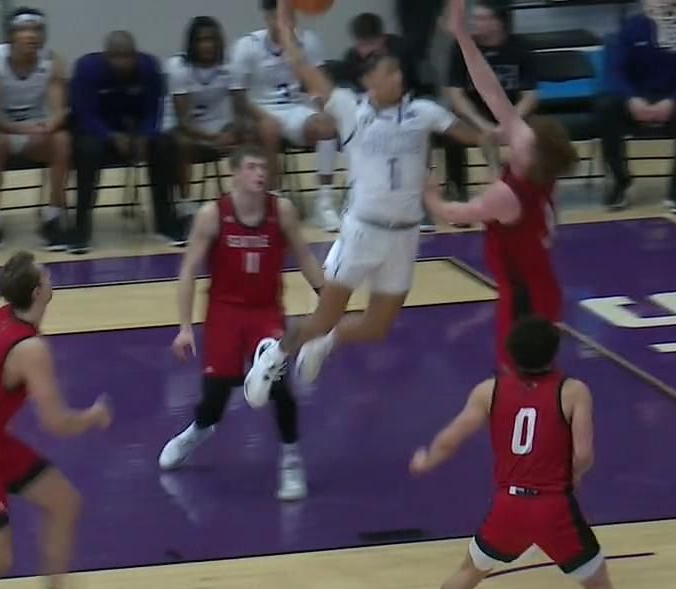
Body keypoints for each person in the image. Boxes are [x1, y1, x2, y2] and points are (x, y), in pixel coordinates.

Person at [244, 0, 485, 405]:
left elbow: (471, 135)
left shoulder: (424, 112)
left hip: (405, 235)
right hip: (362, 230)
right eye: (379, 69)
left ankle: (326, 343)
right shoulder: (349, 109)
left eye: (390, 68)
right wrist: (287, 28)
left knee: (377, 327)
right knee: (322, 317)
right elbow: (304, 67)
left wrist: (501, 136)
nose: (385, 73)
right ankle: (275, 354)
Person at [159, 145, 324, 501]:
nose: (260, 174)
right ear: (235, 173)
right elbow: (187, 270)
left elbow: (305, 256)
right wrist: (185, 327)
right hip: (224, 313)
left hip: (266, 312)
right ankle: (197, 430)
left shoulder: (281, 211)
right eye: (251, 166)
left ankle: (291, 457)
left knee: (279, 386)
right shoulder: (213, 214)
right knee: (215, 397)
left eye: (263, 167)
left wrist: (327, 296)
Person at [0, 251, 112, 589]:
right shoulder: (31, 350)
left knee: (64, 503)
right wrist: (94, 416)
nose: (50, 277)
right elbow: (56, 423)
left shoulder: (0, 316)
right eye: (45, 274)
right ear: (36, 291)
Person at [425, 0, 576, 369]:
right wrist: (462, 36)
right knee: (541, 374)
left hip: (524, 297)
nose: (517, 134)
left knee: (518, 375)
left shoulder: (506, 196)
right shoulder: (540, 169)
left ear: (530, 161)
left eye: (524, 143)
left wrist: (426, 191)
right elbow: (492, 90)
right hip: (543, 288)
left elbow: (452, 213)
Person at [410, 317, 611, 589]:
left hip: (509, 505)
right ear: (555, 352)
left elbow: (450, 439)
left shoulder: (488, 390)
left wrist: (426, 462)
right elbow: (583, 455)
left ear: (511, 352)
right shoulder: (573, 391)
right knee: (599, 584)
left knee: (468, 573)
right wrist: (574, 476)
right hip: (554, 507)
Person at [229, 0, 342, 232]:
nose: (282, 21)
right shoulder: (247, 45)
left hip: (294, 106)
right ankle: (273, 201)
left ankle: (324, 204)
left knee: (327, 127)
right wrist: (261, 117)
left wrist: (323, 108)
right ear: (267, 17)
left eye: (288, 15)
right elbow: (238, 97)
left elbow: (319, 84)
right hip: (260, 107)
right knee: (269, 129)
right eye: (276, 16)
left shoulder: (307, 40)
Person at [69, 30, 181, 255]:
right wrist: (110, 136)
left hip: (134, 133)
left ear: (136, 55)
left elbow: (154, 111)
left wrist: (144, 136)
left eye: (128, 56)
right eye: (117, 57)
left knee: (164, 144)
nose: (123, 62)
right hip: (97, 133)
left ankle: (165, 222)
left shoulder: (148, 68)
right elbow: (84, 114)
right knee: (87, 150)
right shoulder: (88, 69)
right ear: (106, 56)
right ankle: (81, 228)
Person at [0, 7, 71, 256]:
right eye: (24, 30)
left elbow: (59, 110)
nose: (31, 35)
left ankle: (52, 217)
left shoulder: (52, 61)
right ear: (10, 35)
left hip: (35, 133)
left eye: (37, 29)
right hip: (2, 130)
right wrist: (16, 128)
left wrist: (51, 125)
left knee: (62, 141)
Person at [599, 0, 676, 214]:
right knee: (605, 107)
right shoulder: (631, 28)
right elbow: (615, 73)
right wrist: (631, 99)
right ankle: (621, 182)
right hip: (637, 101)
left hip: (674, 101)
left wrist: (673, 102)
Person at [444, 0, 537, 206]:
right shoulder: (462, 46)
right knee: (453, 132)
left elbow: (530, 95)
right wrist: (481, 123)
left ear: (498, 23)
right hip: (476, 112)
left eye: (481, 18)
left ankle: (526, 188)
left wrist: (510, 122)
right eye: (473, 18)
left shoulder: (520, 47)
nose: (475, 23)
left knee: (536, 131)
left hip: (511, 111)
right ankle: (461, 188)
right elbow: (455, 94)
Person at [164, 17, 248, 228]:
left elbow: (241, 110)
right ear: (192, 44)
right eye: (201, 40)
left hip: (219, 126)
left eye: (211, 39)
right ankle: (185, 204)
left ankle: (245, 198)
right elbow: (183, 121)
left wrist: (232, 130)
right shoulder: (178, 68)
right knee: (180, 144)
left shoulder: (232, 66)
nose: (207, 45)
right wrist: (213, 138)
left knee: (252, 134)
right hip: (186, 128)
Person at [340, 13, 417, 95]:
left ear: (383, 38)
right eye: (362, 45)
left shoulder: (400, 50)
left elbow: (404, 85)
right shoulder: (352, 57)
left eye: (371, 43)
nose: (367, 50)